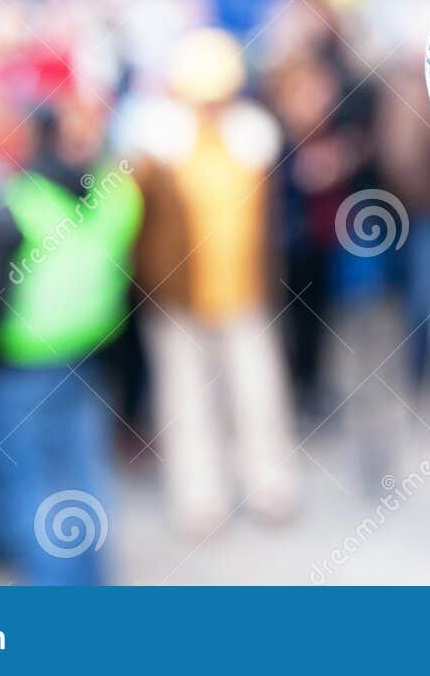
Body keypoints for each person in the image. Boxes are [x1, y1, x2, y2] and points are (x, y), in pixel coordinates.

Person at [128, 28, 300, 532]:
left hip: (245, 292)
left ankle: (269, 485)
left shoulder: (254, 139)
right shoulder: (155, 148)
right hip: (176, 298)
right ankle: (199, 498)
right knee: (185, 403)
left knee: (259, 394)